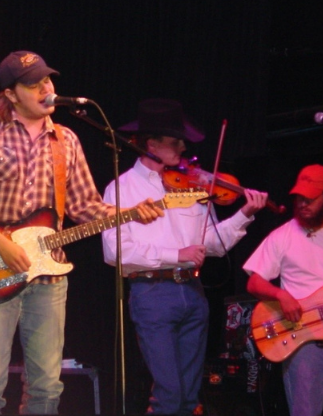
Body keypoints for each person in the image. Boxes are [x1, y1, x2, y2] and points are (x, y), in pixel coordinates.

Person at [0, 50, 163, 416]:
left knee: (46, 385)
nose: (46, 89)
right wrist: (3, 246)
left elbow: (86, 206)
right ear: (11, 94)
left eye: (47, 80)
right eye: (33, 84)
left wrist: (133, 213)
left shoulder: (66, 140)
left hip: (48, 277)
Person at [101, 98, 268, 416]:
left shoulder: (191, 187)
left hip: (193, 292)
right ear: (151, 145)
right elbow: (117, 252)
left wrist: (244, 214)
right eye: (175, 141)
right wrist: (176, 254)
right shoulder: (122, 189)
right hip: (152, 293)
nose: (183, 148)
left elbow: (212, 243)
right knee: (170, 395)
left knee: (190, 398)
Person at [243, 164, 323, 415]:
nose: (302, 204)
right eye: (299, 198)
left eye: (310, 199)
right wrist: (281, 295)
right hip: (304, 345)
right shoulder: (282, 236)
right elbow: (254, 283)